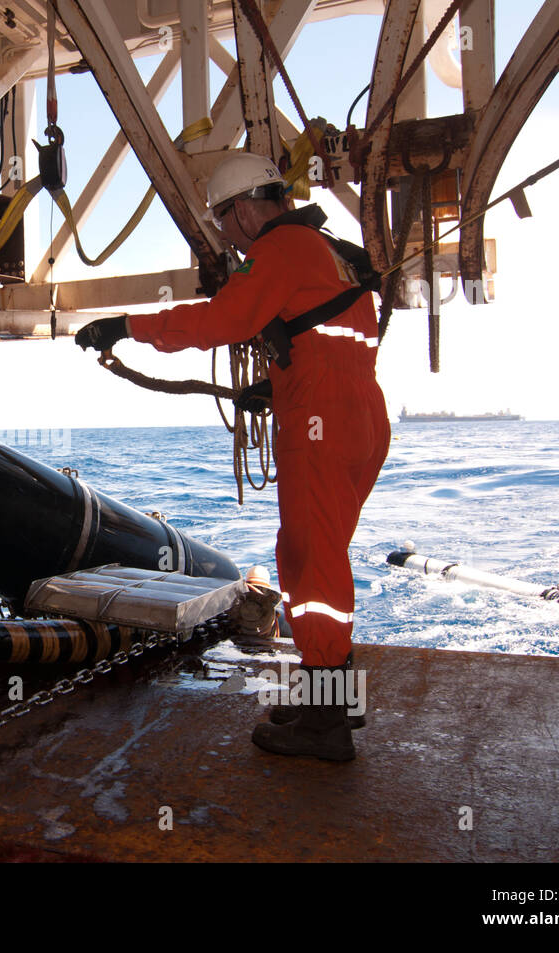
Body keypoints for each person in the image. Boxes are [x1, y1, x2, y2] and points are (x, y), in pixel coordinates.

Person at [75, 154, 389, 761]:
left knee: (316, 570)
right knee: (305, 558)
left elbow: (226, 318)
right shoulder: (330, 250)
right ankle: (331, 699)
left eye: (224, 223)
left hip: (320, 424)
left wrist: (127, 326)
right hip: (356, 415)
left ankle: (325, 726)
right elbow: (338, 337)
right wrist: (279, 384)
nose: (227, 238)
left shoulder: (284, 249)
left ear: (242, 208)